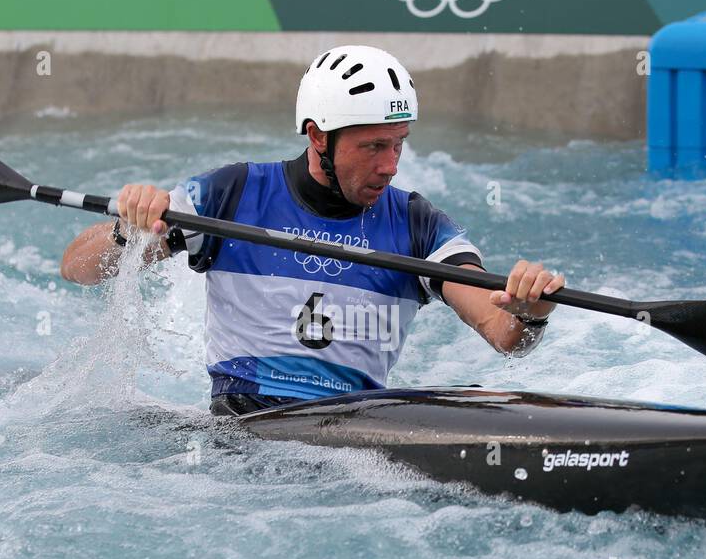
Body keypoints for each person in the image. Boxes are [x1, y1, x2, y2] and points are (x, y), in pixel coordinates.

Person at [60, 45, 564, 416]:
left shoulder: (416, 223)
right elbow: (78, 268)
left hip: (357, 430)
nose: (391, 166)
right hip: (241, 431)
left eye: (399, 144)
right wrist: (129, 230)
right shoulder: (233, 194)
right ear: (318, 135)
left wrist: (530, 313)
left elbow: (502, 334)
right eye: (373, 147)